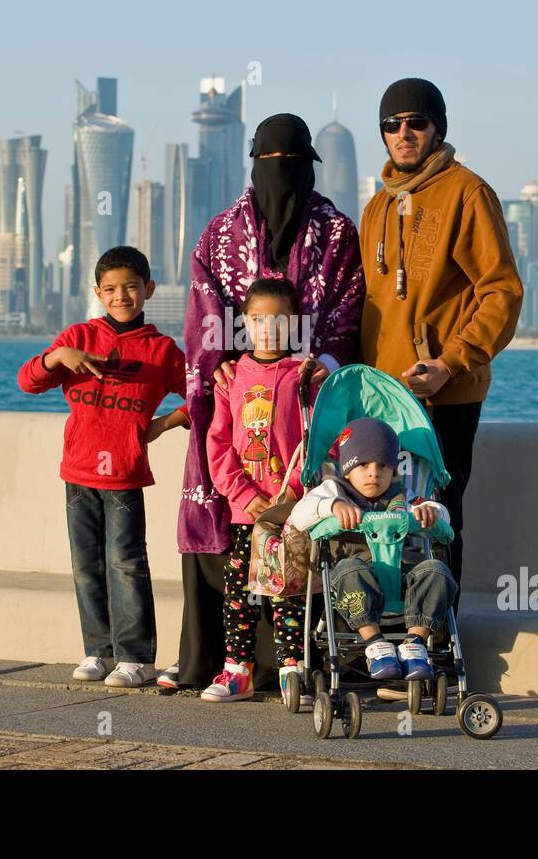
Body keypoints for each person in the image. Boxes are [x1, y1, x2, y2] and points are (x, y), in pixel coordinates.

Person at [166, 112, 364, 691]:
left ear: (310, 167)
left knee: (306, 535)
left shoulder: (335, 231)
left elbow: (350, 308)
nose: (283, 176)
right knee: (230, 548)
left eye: (293, 166)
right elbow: (204, 306)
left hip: (309, 407)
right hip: (238, 400)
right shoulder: (221, 231)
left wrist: (323, 364)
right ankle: (225, 663)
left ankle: (301, 664)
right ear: (253, 165)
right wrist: (220, 362)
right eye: (272, 165)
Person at [358, 78, 523, 590]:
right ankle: (389, 644)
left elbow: (502, 291)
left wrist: (450, 363)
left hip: (444, 393)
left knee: (438, 518)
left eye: (416, 123)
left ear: (438, 128)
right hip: (382, 395)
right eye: (392, 125)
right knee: (379, 519)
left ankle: (443, 642)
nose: (404, 133)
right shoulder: (377, 207)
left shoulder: (468, 193)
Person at [17, 246, 188, 688]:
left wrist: (162, 424)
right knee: (85, 566)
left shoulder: (162, 350)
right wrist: (59, 358)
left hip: (125, 474)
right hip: (77, 473)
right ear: (98, 292)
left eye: (131, 286)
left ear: (148, 289)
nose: (121, 296)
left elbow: (203, 398)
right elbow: (27, 381)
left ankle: (137, 657)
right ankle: (98, 650)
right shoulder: (77, 338)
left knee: (127, 563)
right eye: (110, 289)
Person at [201, 278, 318, 703]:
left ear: (295, 323)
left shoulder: (304, 376)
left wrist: (291, 494)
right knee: (240, 589)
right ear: (244, 323)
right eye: (258, 319)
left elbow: (315, 441)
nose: (269, 328)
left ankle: (293, 669)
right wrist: (245, 496)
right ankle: (238, 670)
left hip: (292, 510)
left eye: (279, 319)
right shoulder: (231, 377)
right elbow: (217, 443)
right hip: (244, 511)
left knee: (289, 589)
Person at [287, 417, 455, 680]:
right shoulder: (333, 490)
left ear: (393, 470)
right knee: (347, 570)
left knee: (437, 570)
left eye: (383, 466)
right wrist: (330, 507)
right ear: (346, 469)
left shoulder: (404, 497)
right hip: (357, 578)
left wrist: (430, 513)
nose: (373, 473)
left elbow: (442, 514)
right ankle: (375, 643)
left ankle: (415, 643)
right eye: (363, 465)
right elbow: (298, 515)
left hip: (403, 577)